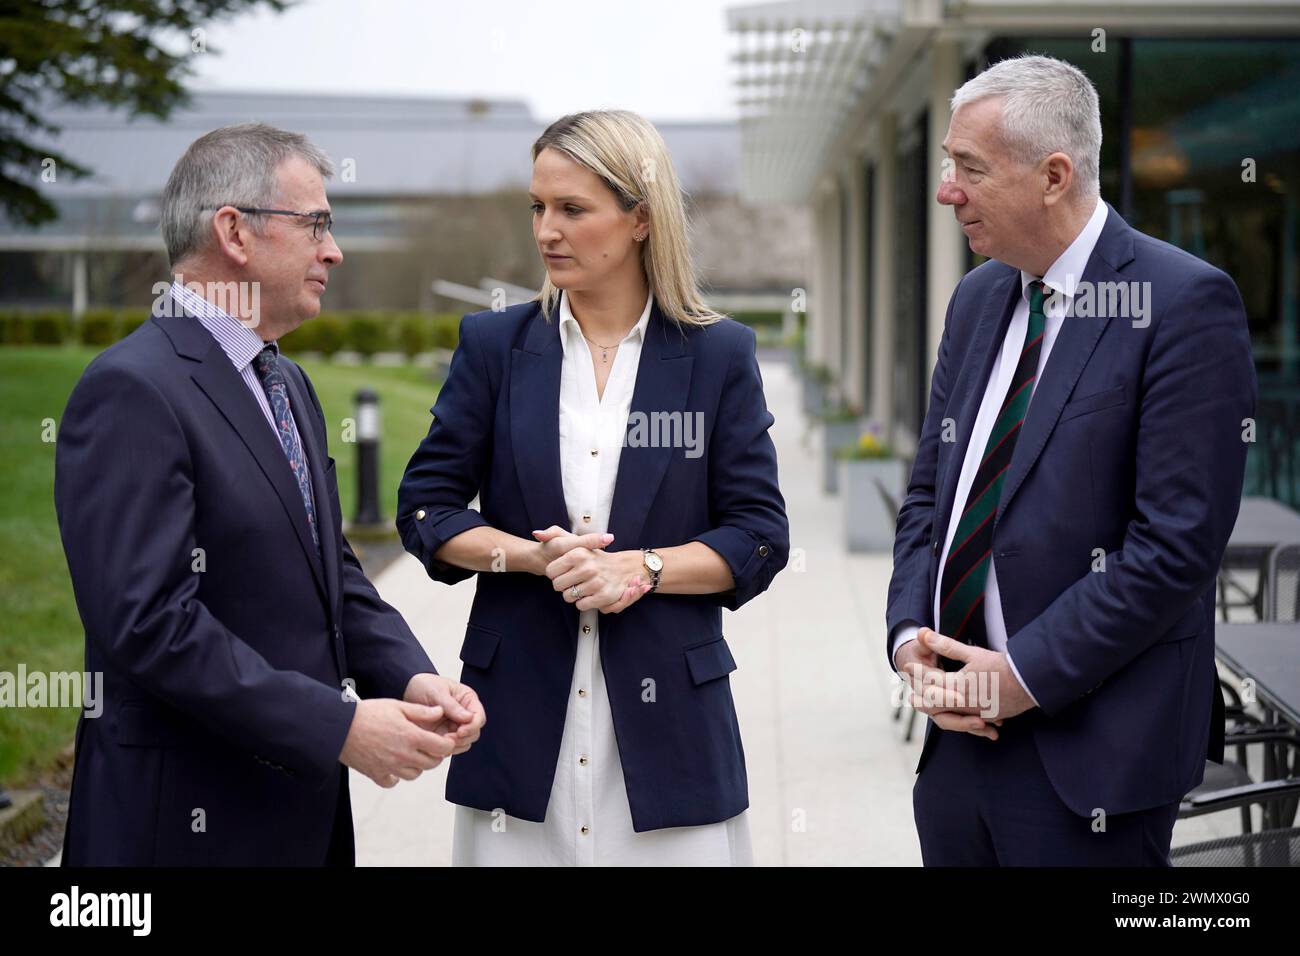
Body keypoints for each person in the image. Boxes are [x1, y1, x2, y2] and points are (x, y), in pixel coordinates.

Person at [54, 123, 484, 866]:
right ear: (234, 232)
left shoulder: (286, 382)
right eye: (315, 224)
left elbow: (329, 570)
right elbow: (149, 625)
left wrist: (410, 675)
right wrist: (337, 727)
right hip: (183, 829)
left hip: (301, 823)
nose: (333, 250)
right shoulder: (131, 390)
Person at [886, 55, 1256, 866]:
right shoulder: (977, 297)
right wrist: (911, 638)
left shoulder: (1182, 302)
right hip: (956, 746)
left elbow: (1175, 548)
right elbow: (931, 498)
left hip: (1093, 758)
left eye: (969, 168)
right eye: (948, 165)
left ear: (1053, 176)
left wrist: (1018, 676)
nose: (948, 191)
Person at [397, 110, 789, 866]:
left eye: (573, 209)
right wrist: (529, 557)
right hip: (517, 728)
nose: (547, 231)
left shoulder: (718, 355)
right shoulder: (493, 346)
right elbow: (425, 509)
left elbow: (760, 537)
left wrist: (640, 569)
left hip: (672, 734)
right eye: (538, 207)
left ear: (641, 218)